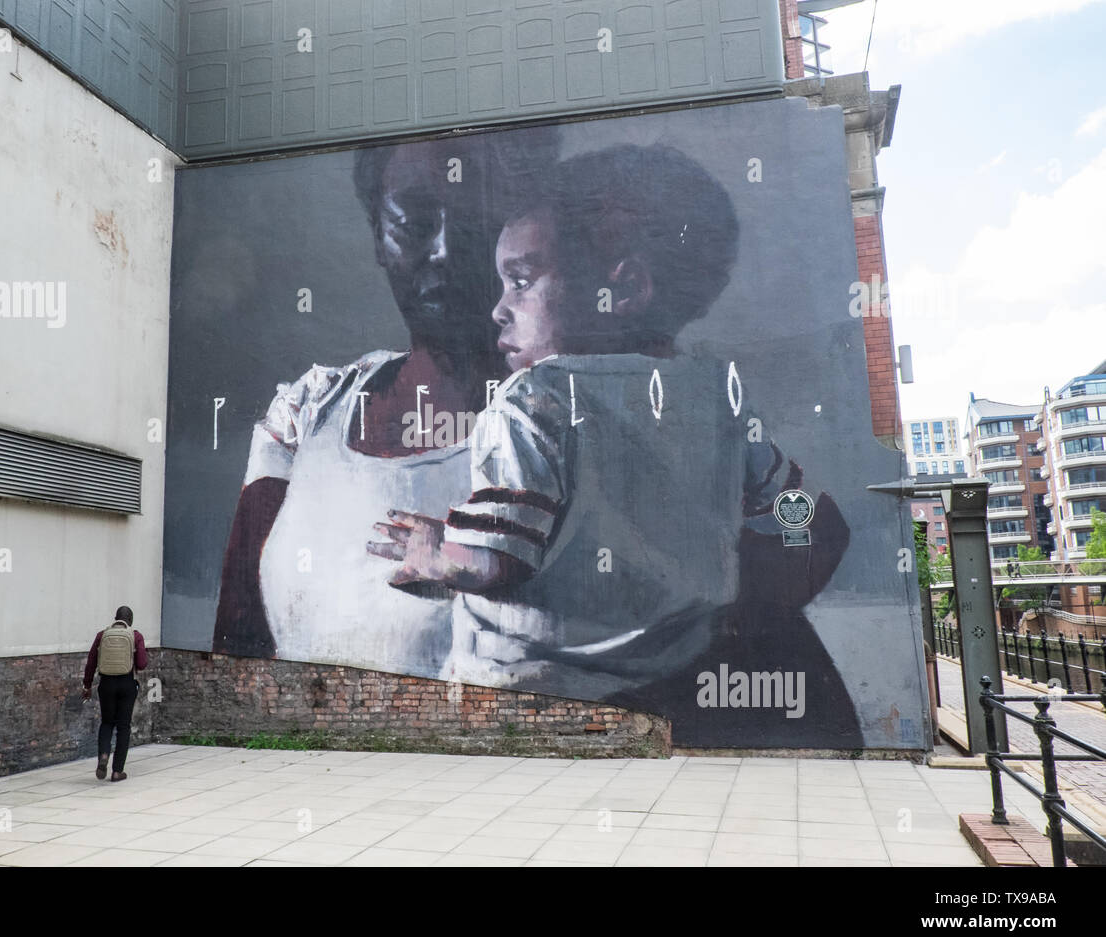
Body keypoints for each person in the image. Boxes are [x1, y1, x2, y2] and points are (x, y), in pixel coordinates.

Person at [369, 145, 861, 744]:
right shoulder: (717, 394)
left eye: (521, 281)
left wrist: (431, 552)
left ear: (624, 291)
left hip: (537, 699)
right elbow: (810, 520)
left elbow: (490, 561)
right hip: (677, 676)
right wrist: (728, 606)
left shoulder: (532, 401)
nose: (498, 309)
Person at [212, 129, 558, 678]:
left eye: (473, 225)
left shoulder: (558, 424)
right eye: (416, 223)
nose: (445, 251)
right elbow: (237, 642)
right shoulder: (306, 413)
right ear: (378, 233)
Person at [82, 605, 148, 781]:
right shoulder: (136, 636)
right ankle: (117, 771)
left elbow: (91, 663)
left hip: (106, 684)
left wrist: (87, 685)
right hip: (127, 684)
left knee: (107, 723)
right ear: (130, 620)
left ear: (115, 618)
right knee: (123, 727)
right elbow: (141, 664)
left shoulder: (102, 635)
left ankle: (104, 756)